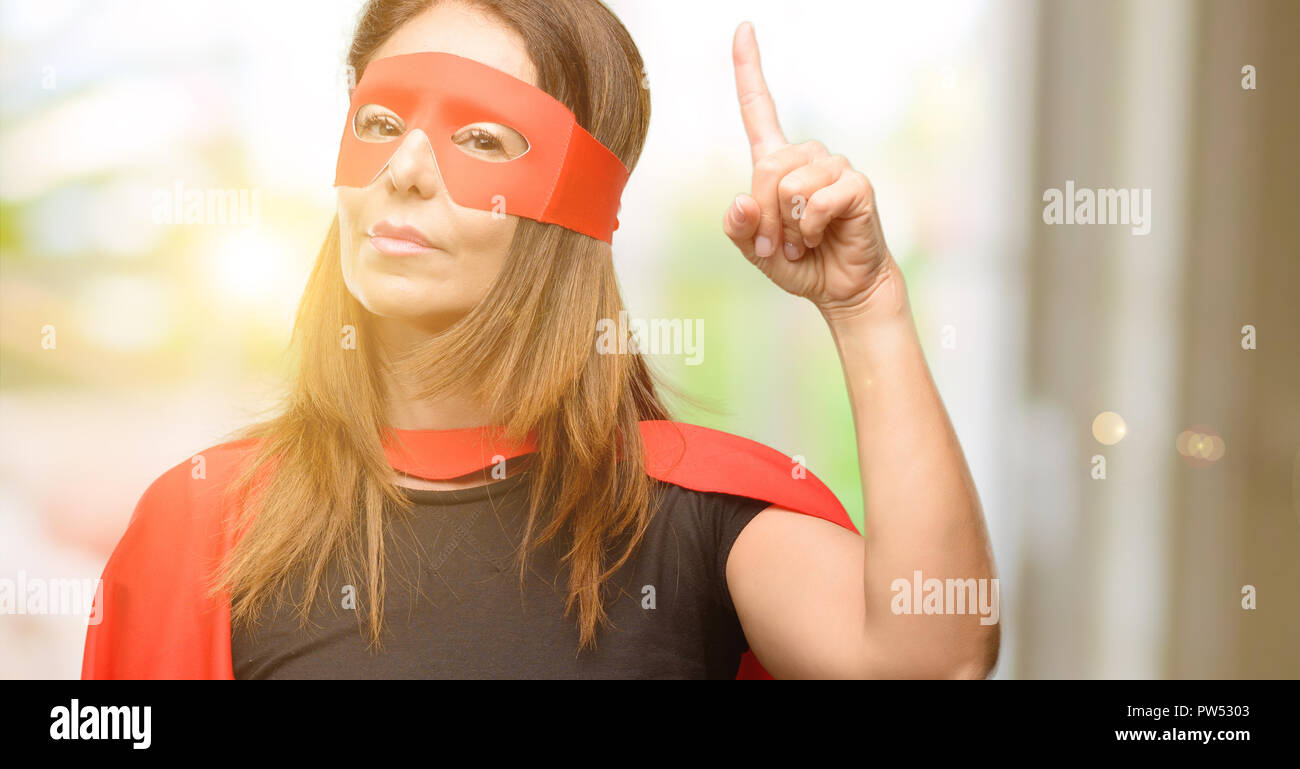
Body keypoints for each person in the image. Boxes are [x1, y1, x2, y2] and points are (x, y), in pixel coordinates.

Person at [82, 0, 998, 680]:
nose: (405, 169)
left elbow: (937, 657)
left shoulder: (692, 514)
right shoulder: (205, 521)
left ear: (576, 205)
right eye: (379, 123)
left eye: (480, 138)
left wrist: (867, 304)